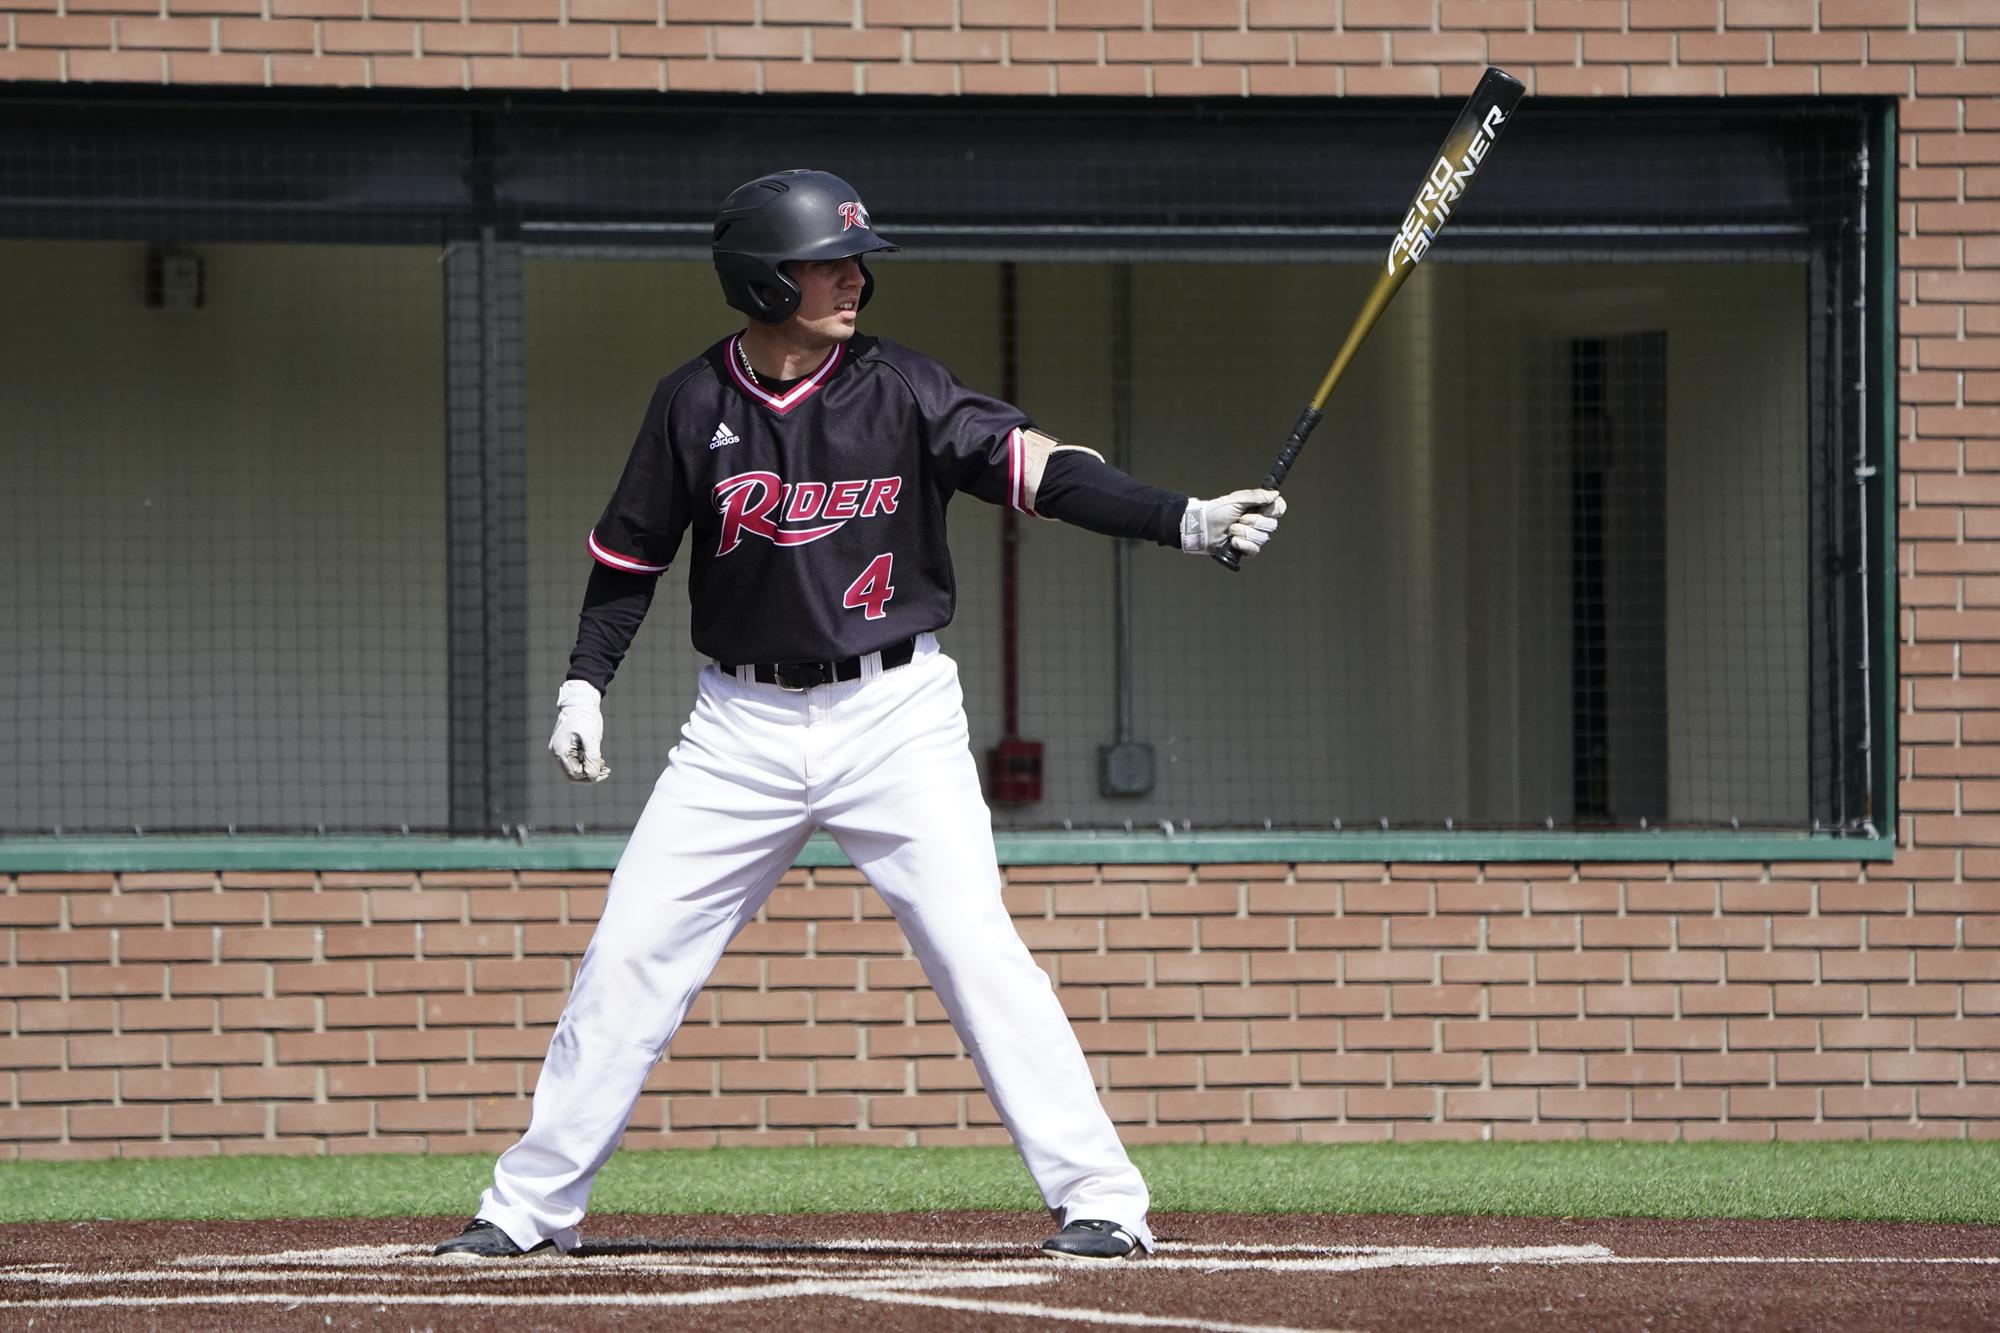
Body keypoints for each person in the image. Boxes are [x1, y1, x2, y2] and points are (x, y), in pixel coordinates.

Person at [434, 169, 1285, 1264]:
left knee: (977, 952)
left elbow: (1040, 469)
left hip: (896, 712)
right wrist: (583, 681)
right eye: (827, 262)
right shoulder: (691, 403)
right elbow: (628, 560)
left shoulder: (907, 387)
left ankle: (1103, 1201)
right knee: (629, 956)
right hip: (735, 727)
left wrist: (1185, 519)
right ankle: (524, 1210)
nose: (854, 276)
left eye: (854, 258)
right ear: (759, 278)